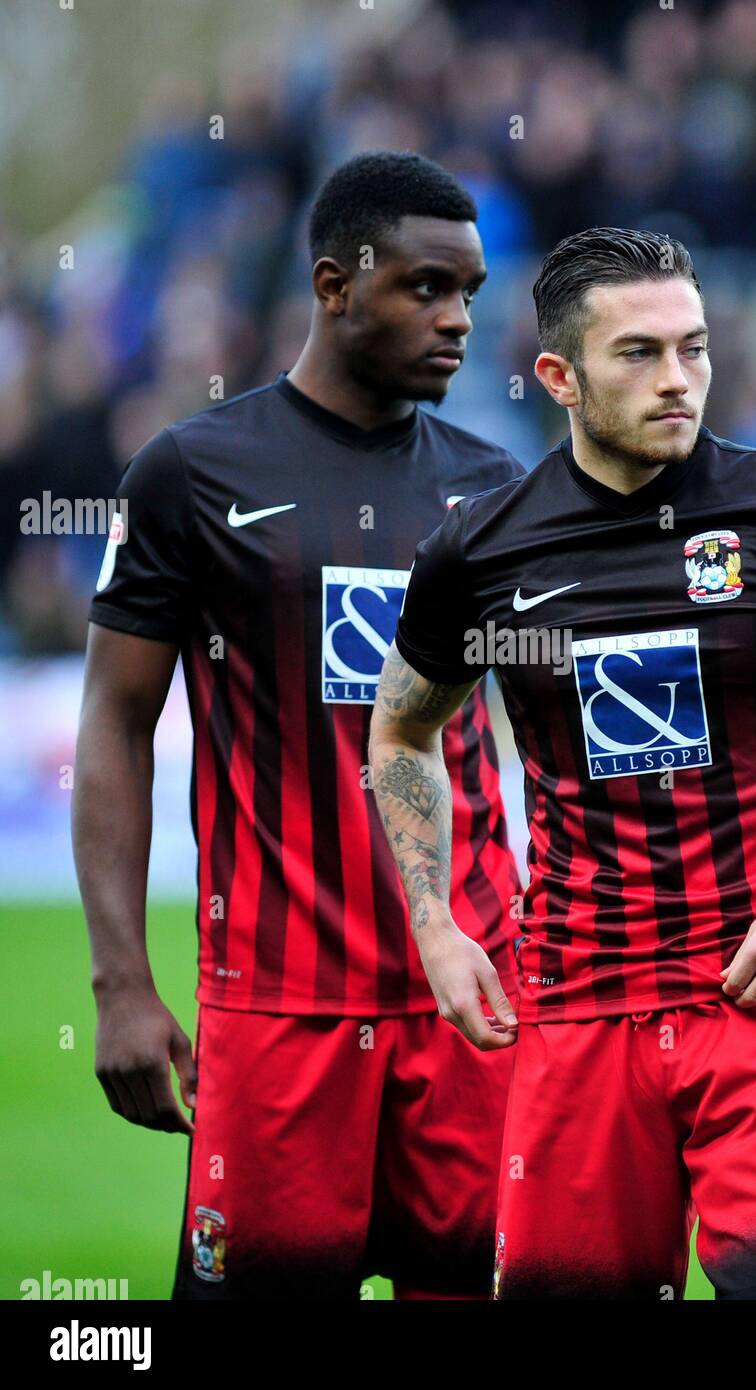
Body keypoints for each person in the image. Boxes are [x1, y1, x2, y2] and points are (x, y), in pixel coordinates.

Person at [369, 226, 756, 1300]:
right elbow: (401, 731)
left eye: (692, 348)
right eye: (639, 353)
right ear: (557, 375)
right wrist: (434, 921)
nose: (677, 380)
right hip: (574, 1005)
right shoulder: (480, 551)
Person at [72, 151, 524, 1300]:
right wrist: (120, 982)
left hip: (473, 995)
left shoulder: (496, 488)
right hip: (280, 1012)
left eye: (469, 290)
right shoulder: (190, 474)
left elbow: (538, 739)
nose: (457, 318)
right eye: (425, 287)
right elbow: (117, 722)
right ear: (334, 286)